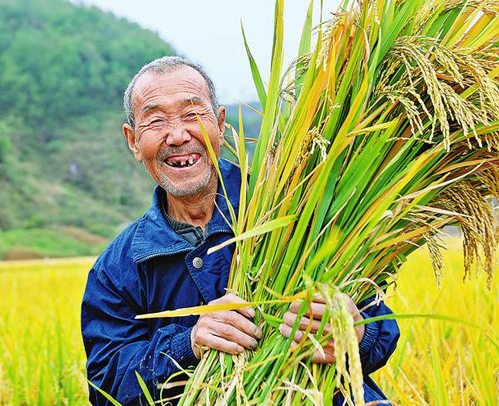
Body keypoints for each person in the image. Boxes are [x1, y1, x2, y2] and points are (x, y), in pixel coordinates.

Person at [81, 56, 400, 406]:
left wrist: (358, 333)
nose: (177, 135)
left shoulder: (295, 208)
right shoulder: (116, 268)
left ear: (219, 123)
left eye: (192, 115)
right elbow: (106, 385)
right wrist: (188, 344)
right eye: (156, 121)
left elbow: (379, 324)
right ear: (133, 141)